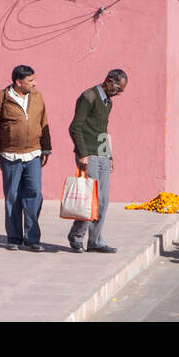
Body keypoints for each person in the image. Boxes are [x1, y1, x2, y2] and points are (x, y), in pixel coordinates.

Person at [0, 65, 52, 251]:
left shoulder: (37, 97)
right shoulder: (1, 98)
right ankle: (14, 237)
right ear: (18, 82)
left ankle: (32, 238)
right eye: (30, 81)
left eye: (34, 80)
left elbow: (44, 122)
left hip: (34, 155)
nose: (34, 83)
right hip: (10, 156)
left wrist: (46, 149)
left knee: (34, 194)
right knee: (13, 196)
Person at [67, 69, 126, 252]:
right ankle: (76, 236)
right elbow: (75, 127)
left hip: (102, 154)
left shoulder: (108, 103)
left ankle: (95, 241)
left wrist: (109, 155)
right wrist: (83, 153)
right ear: (109, 81)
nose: (119, 93)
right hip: (89, 155)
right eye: (118, 88)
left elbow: (103, 129)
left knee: (103, 201)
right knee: (89, 199)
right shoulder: (89, 97)